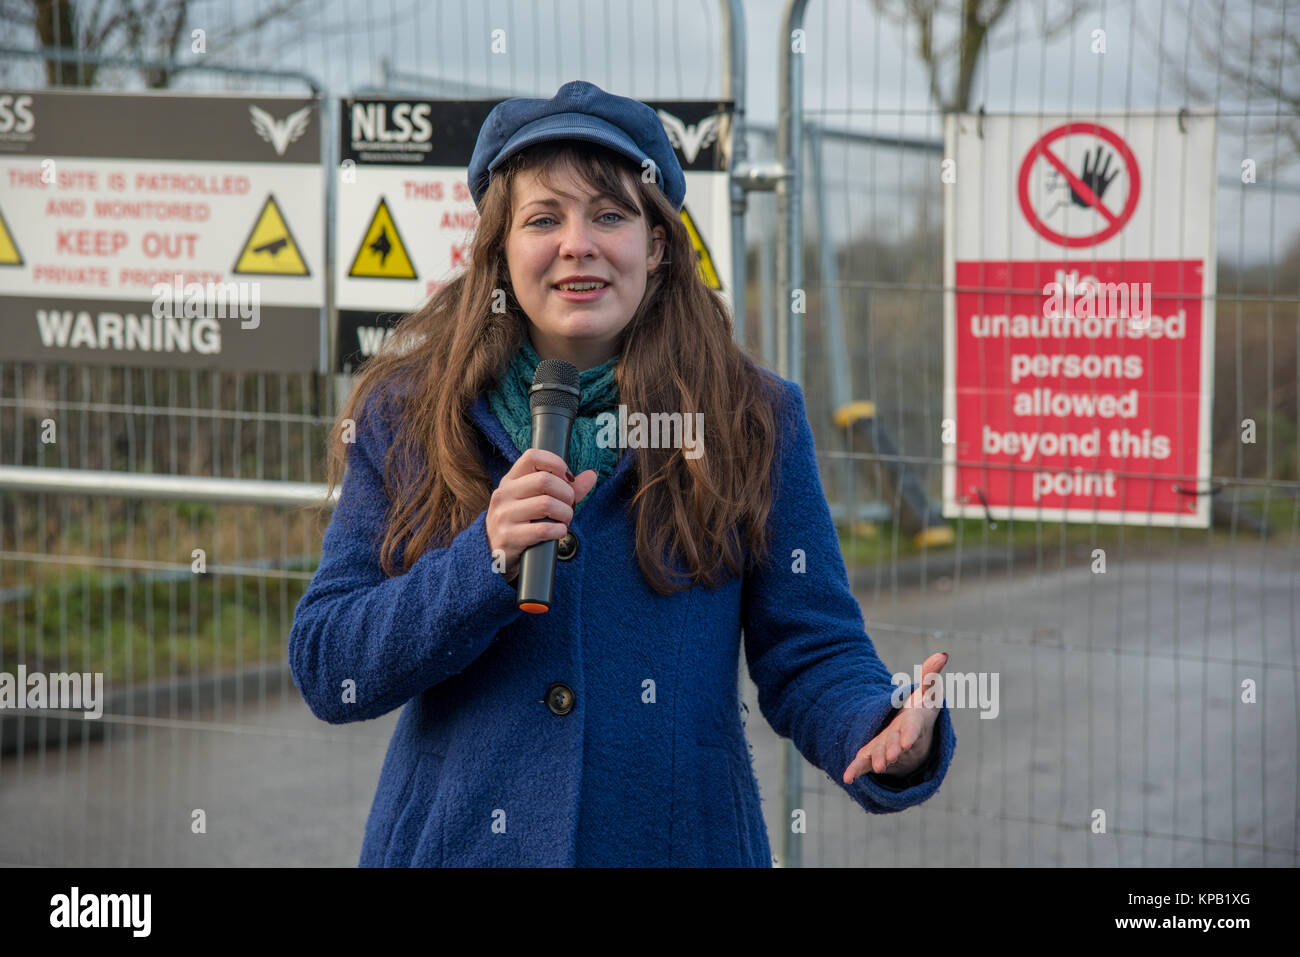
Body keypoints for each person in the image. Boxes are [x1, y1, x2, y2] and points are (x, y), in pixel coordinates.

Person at [288, 80, 956, 867]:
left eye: (610, 215)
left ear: (659, 245)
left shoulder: (753, 418)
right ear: (500, 251)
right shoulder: (407, 414)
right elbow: (332, 664)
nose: (579, 243)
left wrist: (880, 726)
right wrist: (481, 563)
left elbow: (811, 649)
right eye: (544, 218)